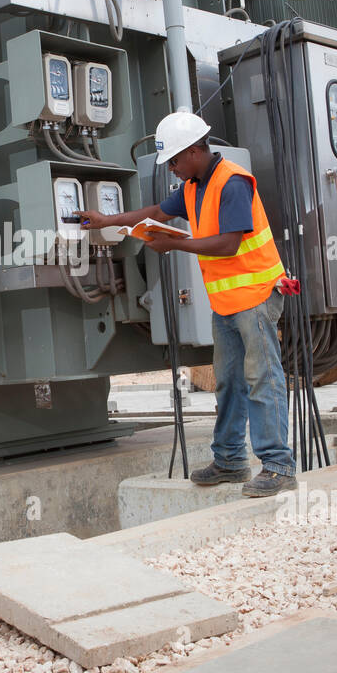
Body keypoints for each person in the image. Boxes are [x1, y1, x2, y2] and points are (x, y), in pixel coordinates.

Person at [79, 109, 297, 497]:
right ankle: (230, 461)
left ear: (195, 150)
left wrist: (174, 243)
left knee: (263, 379)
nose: (173, 169)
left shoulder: (232, 182)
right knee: (229, 383)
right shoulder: (195, 184)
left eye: (175, 161)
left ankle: (278, 465)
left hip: (258, 297)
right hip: (227, 302)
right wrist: (106, 220)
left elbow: (229, 243)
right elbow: (158, 212)